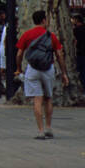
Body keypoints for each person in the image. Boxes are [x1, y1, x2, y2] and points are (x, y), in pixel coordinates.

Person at [15, 10, 68, 139]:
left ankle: (40, 130)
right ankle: (49, 127)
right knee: (48, 98)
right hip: (48, 69)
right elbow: (59, 55)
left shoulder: (27, 34)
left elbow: (19, 54)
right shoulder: (51, 36)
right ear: (44, 20)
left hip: (32, 70)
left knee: (37, 100)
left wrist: (18, 69)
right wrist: (64, 73)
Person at [72, 15, 85, 88]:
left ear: (76, 20)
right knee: (83, 70)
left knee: (79, 70)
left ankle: (80, 84)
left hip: (78, 52)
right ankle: (83, 85)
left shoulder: (76, 30)